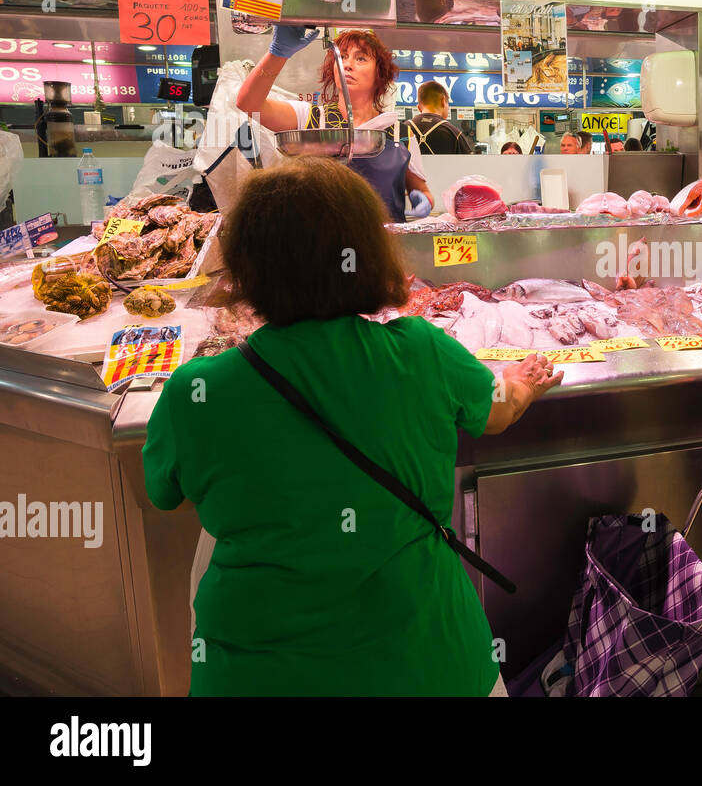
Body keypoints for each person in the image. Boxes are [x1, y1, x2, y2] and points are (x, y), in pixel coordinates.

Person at [142, 158, 562, 695]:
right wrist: (523, 381)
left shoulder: (197, 391)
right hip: (427, 660)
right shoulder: (424, 351)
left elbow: (166, 495)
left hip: (258, 670)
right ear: (367, 256)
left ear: (244, 267)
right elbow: (499, 410)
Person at [235, 25, 433, 223]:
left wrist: (423, 200)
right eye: (343, 57)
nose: (347, 65)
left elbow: (421, 190)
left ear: (380, 73)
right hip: (323, 245)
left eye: (361, 58)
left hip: (382, 247)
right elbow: (248, 103)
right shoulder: (310, 117)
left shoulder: (402, 133)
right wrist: (277, 54)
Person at [408, 80, 474, 155]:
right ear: (443, 101)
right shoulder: (454, 133)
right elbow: (470, 164)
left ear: (419, 108)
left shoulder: (402, 130)